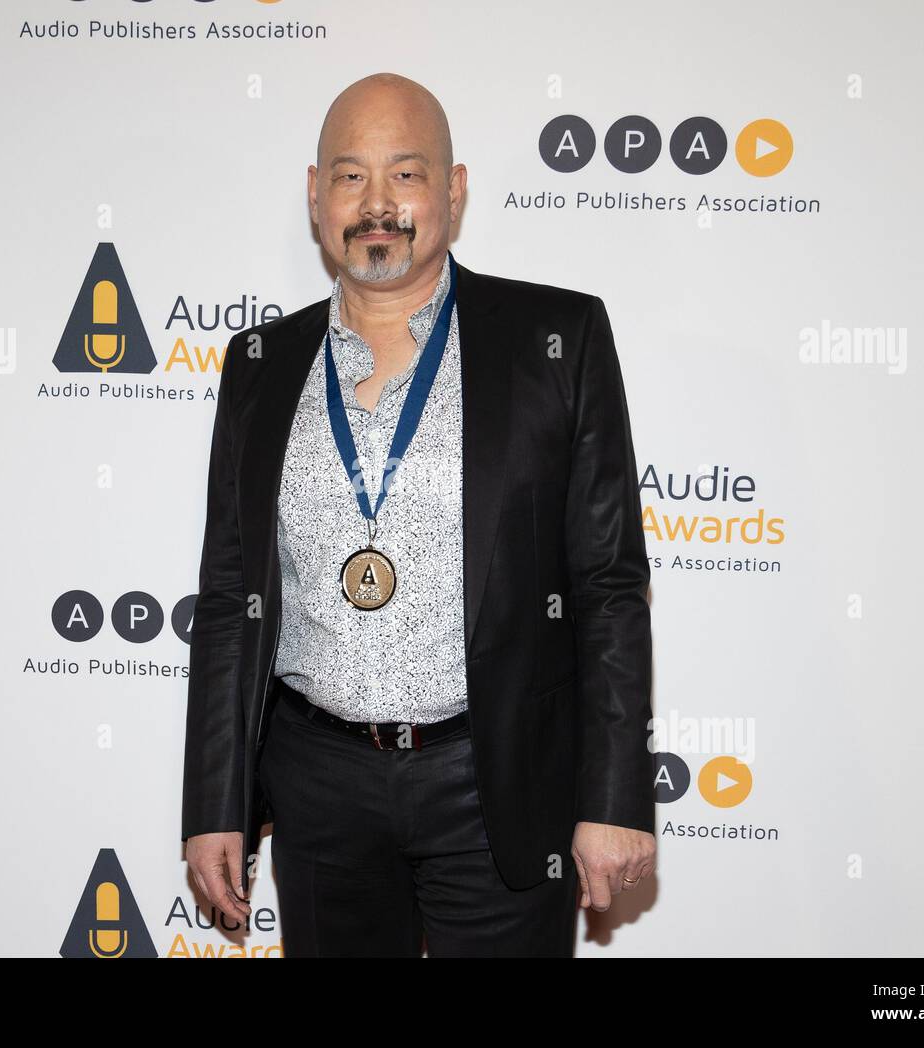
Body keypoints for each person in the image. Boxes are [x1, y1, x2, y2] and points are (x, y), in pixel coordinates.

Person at [182, 72, 655, 957]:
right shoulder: (259, 361)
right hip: (317, 786)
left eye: (405, 174)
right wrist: (214, 803)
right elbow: (226, 594)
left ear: (454, 189)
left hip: (495, 780)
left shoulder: (557, 339)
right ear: (316, 194)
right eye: (351, 175)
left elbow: (609, 586)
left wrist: (615, 797)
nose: (377, 204)